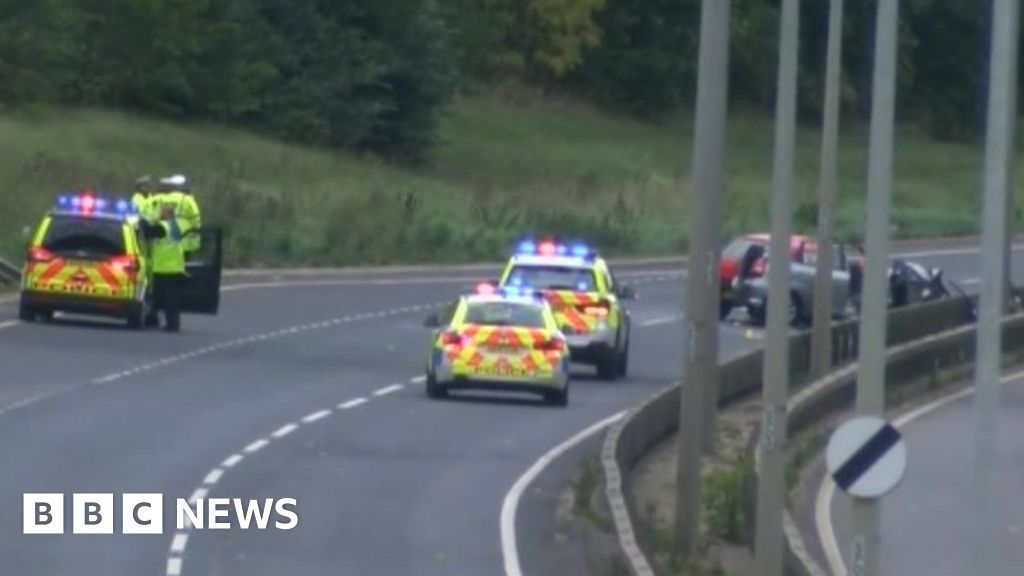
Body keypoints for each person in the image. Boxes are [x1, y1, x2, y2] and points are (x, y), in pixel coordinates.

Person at [142, 185, 195, 332]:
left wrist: (143, 222)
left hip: (170, 269)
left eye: (164, 211)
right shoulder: (176, 225)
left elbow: (151, 231)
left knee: (170, 300)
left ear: (169, 214)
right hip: (162, 267)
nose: (161, 213)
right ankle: (155, 320)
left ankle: (173, 324)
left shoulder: (168, 226)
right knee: (157, 297)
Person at [159, 174, 202, 255]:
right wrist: (196, 236)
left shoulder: (162, 199)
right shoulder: (188, 199)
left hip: (166, 242)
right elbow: (196, 218)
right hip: (187, 241)